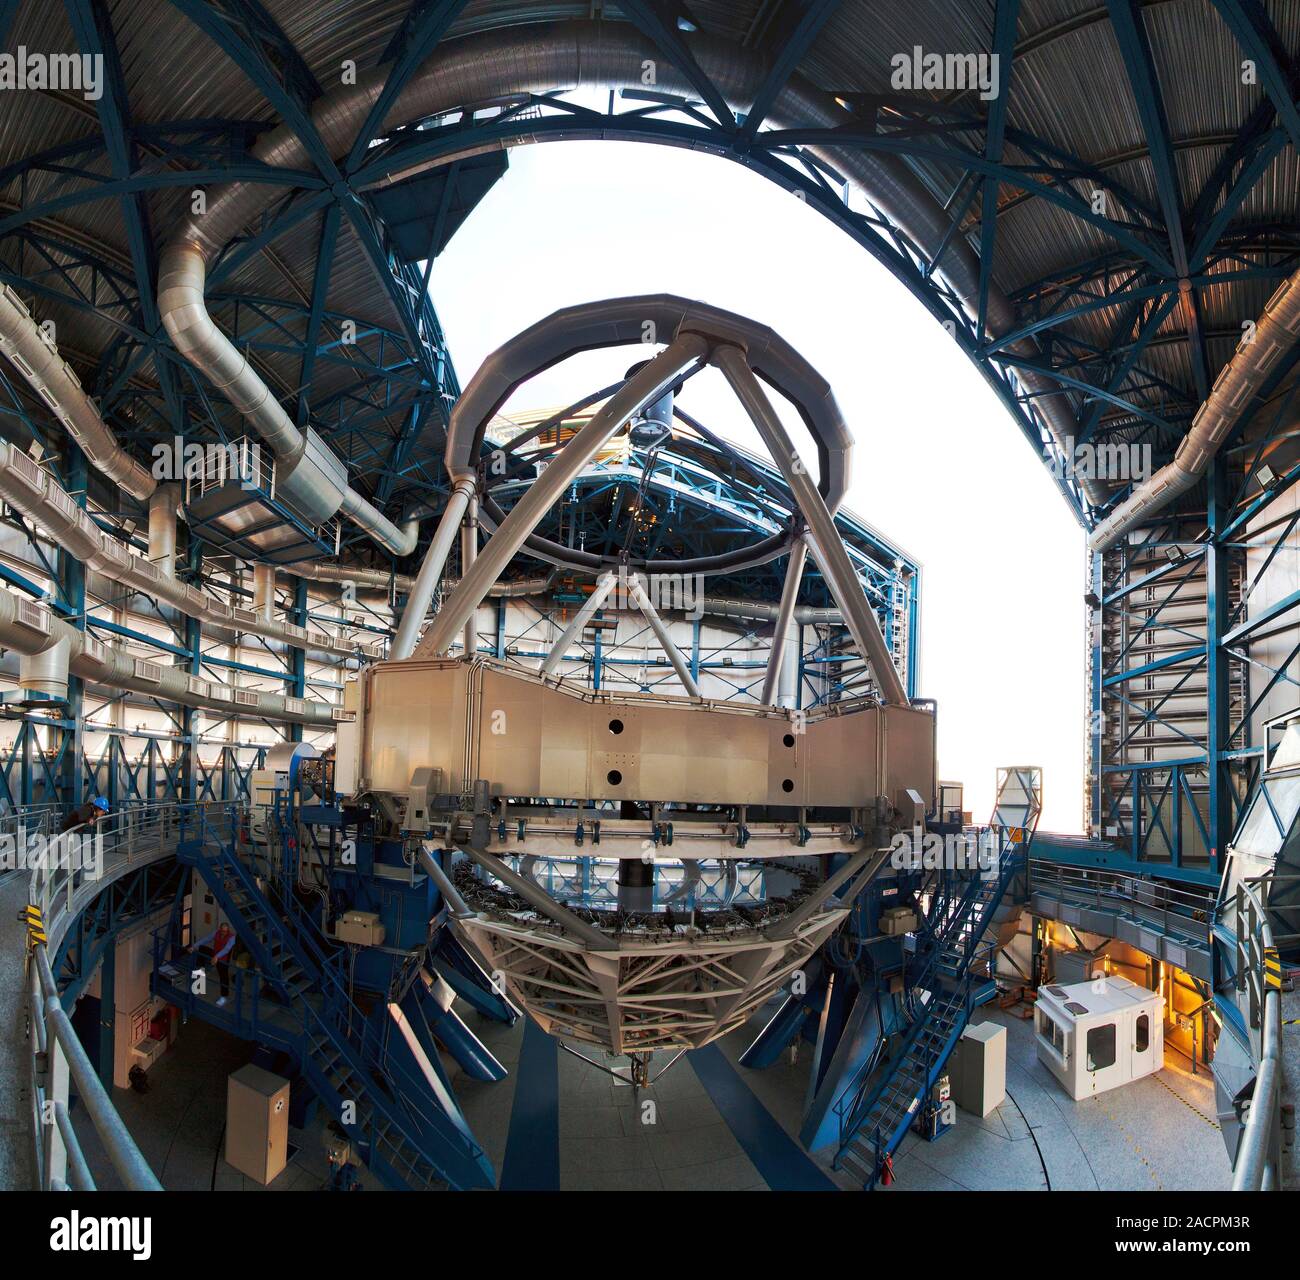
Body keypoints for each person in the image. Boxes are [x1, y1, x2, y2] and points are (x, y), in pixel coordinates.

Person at [195, 921, 237, 1007]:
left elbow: (227, 949)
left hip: (223, 959)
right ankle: (202, 970)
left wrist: (216, 957)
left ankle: (224, 997)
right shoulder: (216, 933)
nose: (224, 933)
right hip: (215, 954)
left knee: (223, 977)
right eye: (223, 931)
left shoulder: (232, 938)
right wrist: (194, 946)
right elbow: (206, 939)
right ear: (220, 929)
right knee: (202, 948)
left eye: (226, 931)